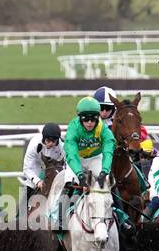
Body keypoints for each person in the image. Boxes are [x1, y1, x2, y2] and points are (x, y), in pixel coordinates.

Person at [47, 97, 115, 231]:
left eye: (93, 119)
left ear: (98, 117)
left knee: (108, 181)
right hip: (77, 159)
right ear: (80, 118)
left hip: (96, 158)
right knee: (70, 183)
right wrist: (80, 175)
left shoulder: (103, 129)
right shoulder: (73, 128)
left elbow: (108, 150)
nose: (89, 123)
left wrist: (104, 171)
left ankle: (121, 217)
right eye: (85, 119)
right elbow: (71, 155)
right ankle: (59, 219)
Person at [21, 122, 64, 201]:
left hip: (54, 169)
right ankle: (20, 212)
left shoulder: (62, 146)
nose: (51, 144)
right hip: (36, 167)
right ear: (44, 138)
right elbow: (27, 168)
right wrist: (37, 182)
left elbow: (65, 165)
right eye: (48, 140)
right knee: (26, 197)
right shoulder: (34, 144)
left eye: (54, 141)